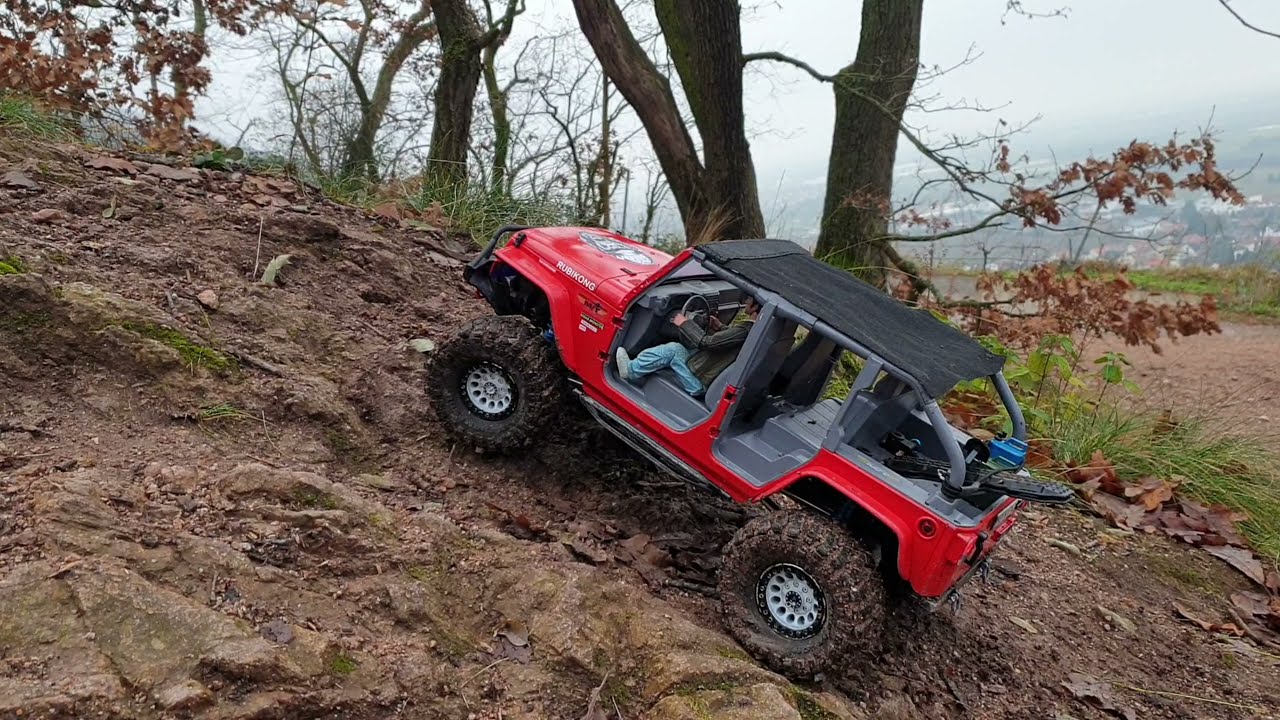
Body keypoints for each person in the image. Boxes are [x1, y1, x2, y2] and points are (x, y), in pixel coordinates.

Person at [615, 297, 761, 396]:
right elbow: (731, 341)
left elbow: (706, 343)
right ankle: (641, 367)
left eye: (748, 300)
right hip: (706, 376)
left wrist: (684, 323)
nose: (746, 301)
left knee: (672, 349)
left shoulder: (745, 330)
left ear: (755, 307)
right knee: (687, 349)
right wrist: (719, 327)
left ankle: (631, 370)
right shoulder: (754, 331)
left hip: (698, 382)